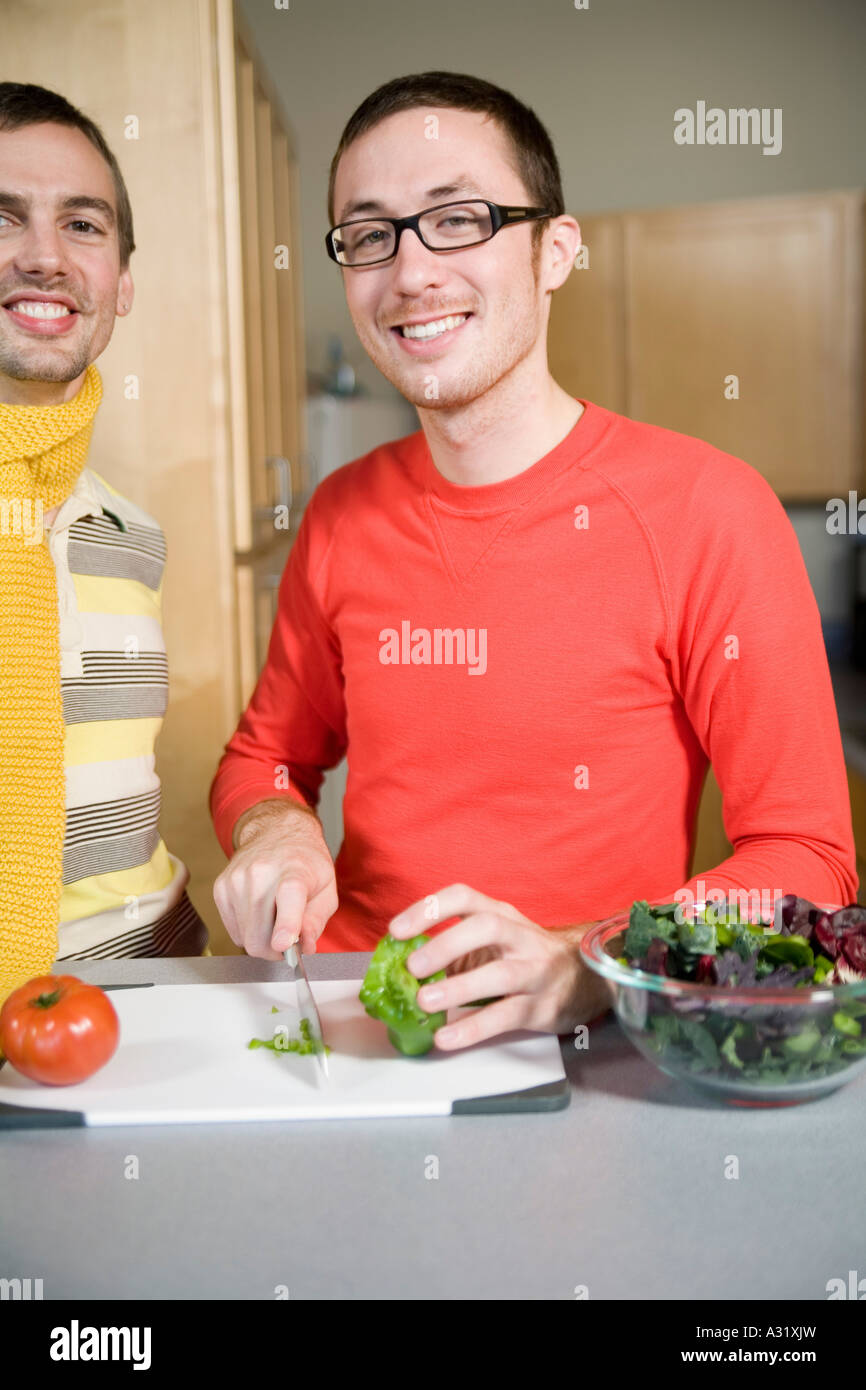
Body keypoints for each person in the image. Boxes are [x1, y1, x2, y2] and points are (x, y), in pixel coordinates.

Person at [209, 71, 857, 1050]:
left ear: (555, 250)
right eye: (370, 234)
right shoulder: (339, 514)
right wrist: (276, 827)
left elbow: (805, 857)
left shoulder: (707, 508)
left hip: (587, 1045)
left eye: (457, 219)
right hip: (353, 1024)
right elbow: (264, 759)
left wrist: (590, 962)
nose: (411, 272)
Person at [0, 83, 208, 1007]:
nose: (43, 258)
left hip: (146, 1010)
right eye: (2, 218)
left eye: (83, 225)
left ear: (122, 280)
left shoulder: (135, 539)